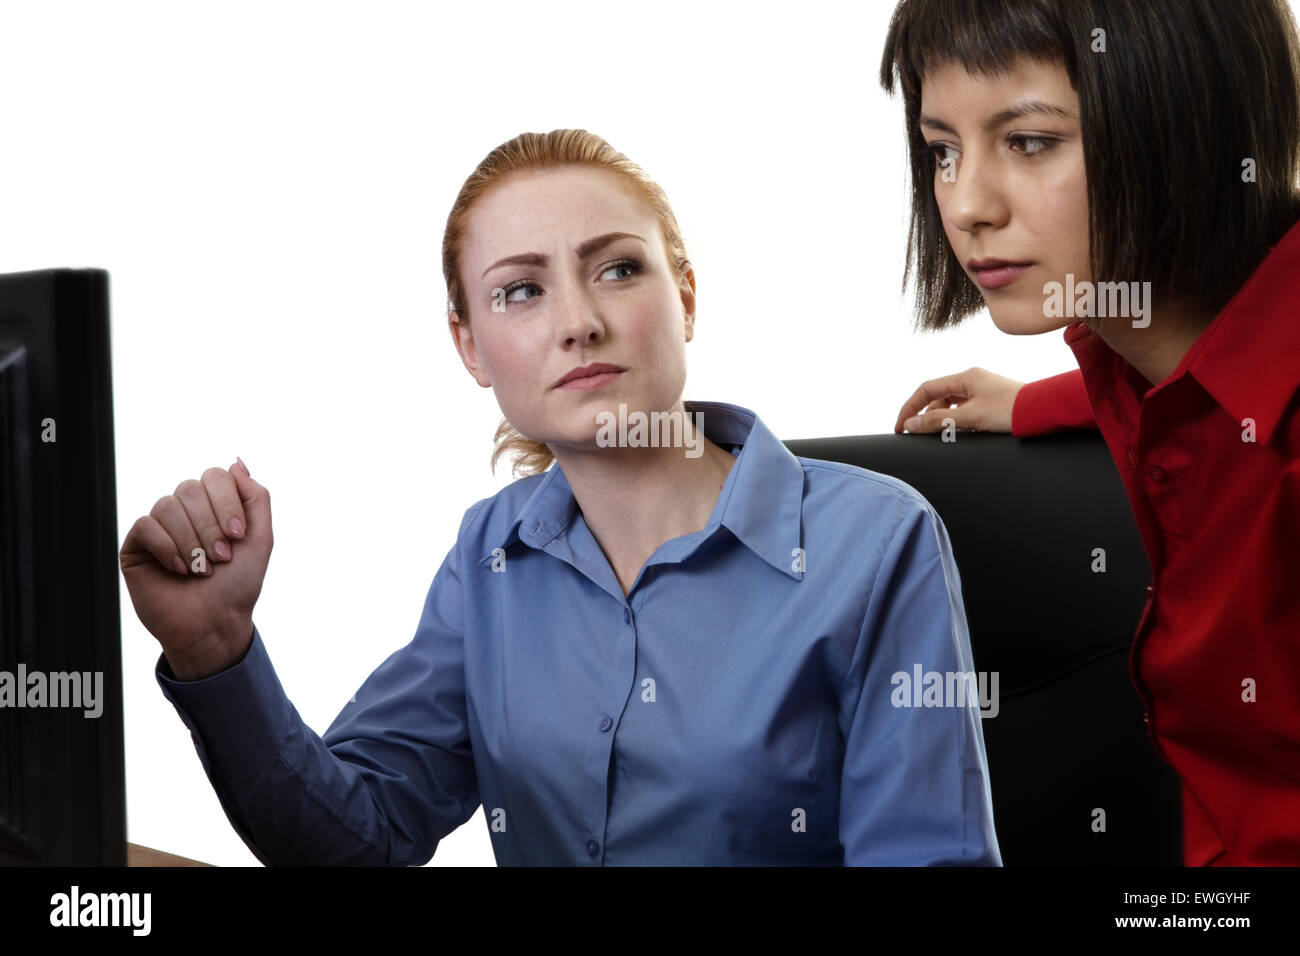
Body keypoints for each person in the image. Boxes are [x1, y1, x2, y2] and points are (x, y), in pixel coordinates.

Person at [119, 129, 1001, 866]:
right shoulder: (490, 555)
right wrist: (214, 649)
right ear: (469, 348)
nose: (578, 319)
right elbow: (357, 839)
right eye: (521, 291)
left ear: (685, 297)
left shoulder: (877, 542)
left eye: (617, 269)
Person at [880, 0, 1300, 865]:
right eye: (942, 150)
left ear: (1188, 119)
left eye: (1029, 142)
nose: (966, 205)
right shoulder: (1136, 348)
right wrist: (1034, 403)